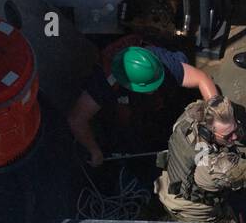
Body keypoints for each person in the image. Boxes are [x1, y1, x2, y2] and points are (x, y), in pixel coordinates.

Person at [67, 42, 219, 168]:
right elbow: (76, 120)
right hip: (127, 107)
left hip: (158, 97)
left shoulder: (161, 60)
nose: (153, 89)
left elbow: (202, 79)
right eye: (149, 87)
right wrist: (94, 151)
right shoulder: (105, 82)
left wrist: (217, 118)